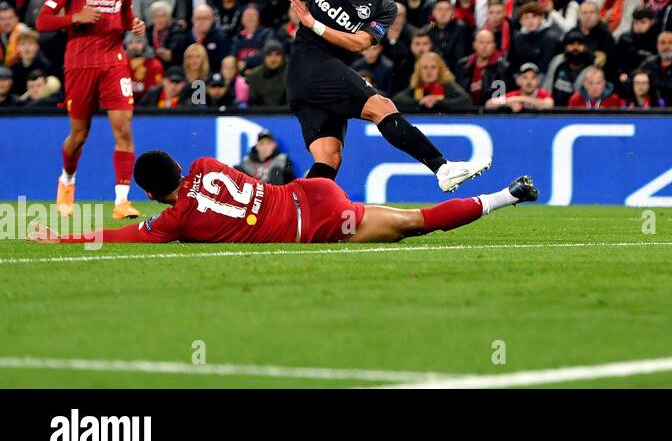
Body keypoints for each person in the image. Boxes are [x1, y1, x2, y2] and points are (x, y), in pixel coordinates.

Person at [223, 0, 487, 192]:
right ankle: (442, 167)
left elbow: (360, 43)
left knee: (329, 156)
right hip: (307, 66)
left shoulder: (385, 6)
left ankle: (300, 216)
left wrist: (314, 24)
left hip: (323, 77)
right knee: (382, 106)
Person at [29, 151, 538, 245]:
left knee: (416, 223)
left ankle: (507, 196)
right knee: (417, 217)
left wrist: (66, 236)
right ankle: (507, 192)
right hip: (313, 190)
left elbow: (121, 234)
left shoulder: (175, 223)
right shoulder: (206, 165)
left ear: (147, 193)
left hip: (315, 225)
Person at [36, 0, 146, 219]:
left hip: (114, 63)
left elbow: (124, 16)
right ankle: (67, 180)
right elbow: (43, 21)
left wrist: (134, 24)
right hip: (80, 65)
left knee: (123, 128)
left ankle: (121, 201)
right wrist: (75, 17)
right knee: (78, 135)